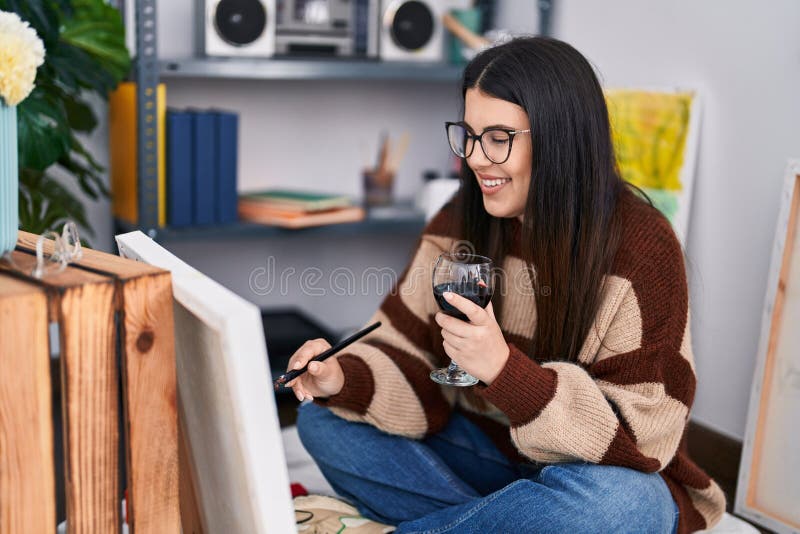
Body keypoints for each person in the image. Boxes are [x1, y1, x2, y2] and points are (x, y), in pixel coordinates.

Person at [287, 36, 725, 534]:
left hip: (592, 475)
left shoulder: (642, 248)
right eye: (469, 135)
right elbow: (403, 347)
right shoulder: (458, 219)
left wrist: (504, 371)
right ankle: (504, 521)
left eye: (498, 138)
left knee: (625, 504)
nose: (475, 158)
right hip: (488, 455)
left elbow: (643, 436)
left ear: (560, 138)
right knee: (322, 420)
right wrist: (341, 378)